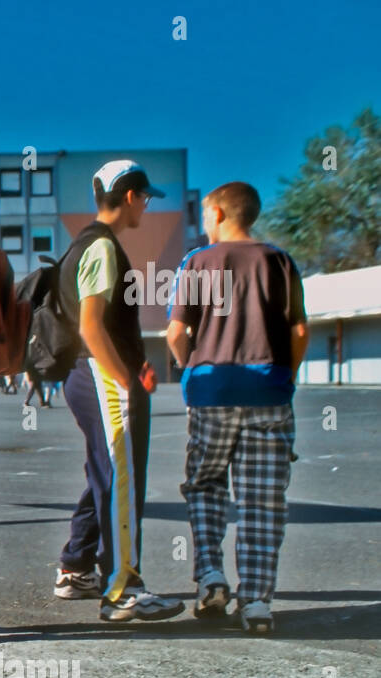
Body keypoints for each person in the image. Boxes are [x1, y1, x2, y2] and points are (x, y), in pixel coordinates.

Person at [166, 181, 309, 636]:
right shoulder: (278, 261)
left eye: (208, 214)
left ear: (222, 214)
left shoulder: (199, 262)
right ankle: (258, 602)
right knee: (262, 499)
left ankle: (210, 576)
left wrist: (188, 371)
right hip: (268, 392)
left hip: (213, 392)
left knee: (206, 484)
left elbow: (175, 333)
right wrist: (285, 376)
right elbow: (299, 331)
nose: (206, 223)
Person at [53, 160, 183, 622]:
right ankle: (123, 587)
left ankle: (76, 566)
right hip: (101, 376)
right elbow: (91, 325)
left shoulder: (82, 245)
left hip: (85, 376)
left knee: (106, 473)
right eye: (145, 197)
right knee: (122, 479)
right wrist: (125, 379)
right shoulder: (103, 248)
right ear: (130, 196)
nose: (146, 206)